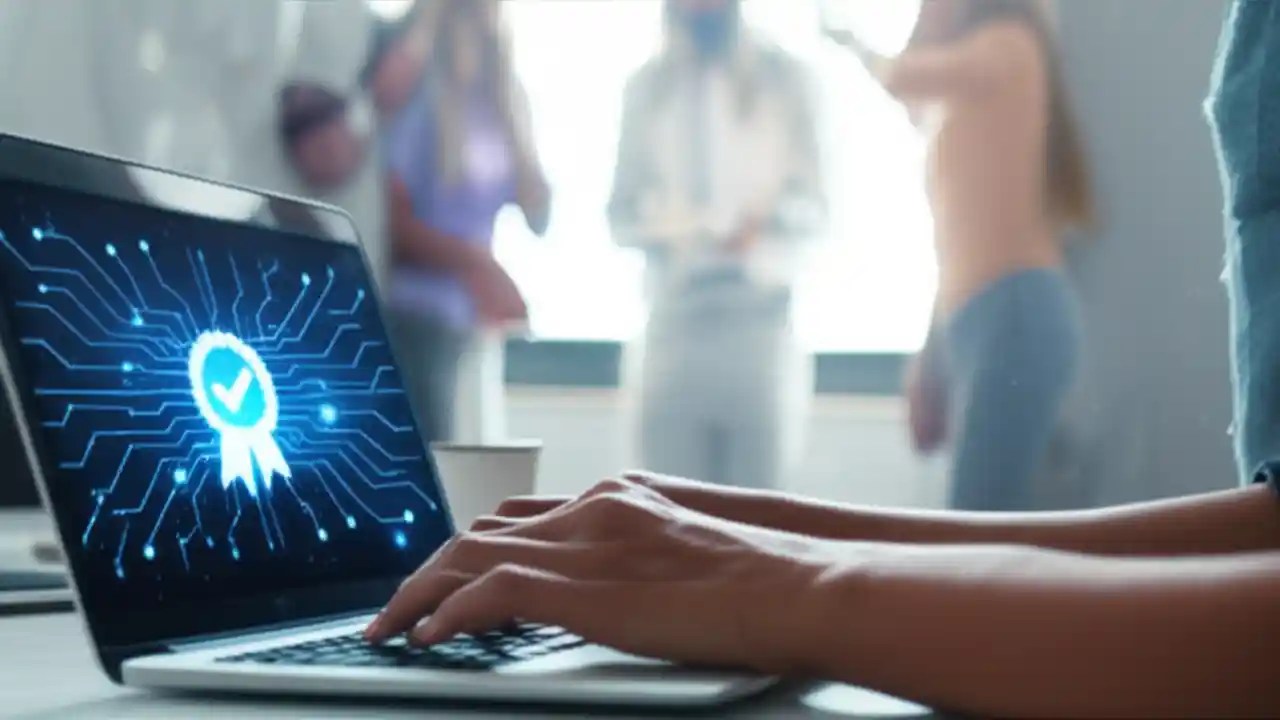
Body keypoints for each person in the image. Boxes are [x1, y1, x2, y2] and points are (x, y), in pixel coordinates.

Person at [363, 2, 1280, 716]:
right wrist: (777, 538)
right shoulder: (645, 87)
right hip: (688, 316)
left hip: (777, 317)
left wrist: (786, 584)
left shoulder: (965, 53)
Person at [838, 0, 1095, 510]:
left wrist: (845, 36)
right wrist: (930, 356)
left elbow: (900, 78)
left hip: (1016, 312)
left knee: (978, 520)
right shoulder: (964, 97)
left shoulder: (1008, 46)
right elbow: (958, 241)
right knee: (981, 520)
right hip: (982, 318)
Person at [608, 0, 825, 490]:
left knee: (759, 525)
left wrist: (766, 220)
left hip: (759, 325)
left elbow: (816, 205)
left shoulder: (786, 80)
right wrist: (668, 224)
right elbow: (619, 215)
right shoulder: (647, 88)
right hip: (675, 324)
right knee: (666, 519)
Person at [381, 0, 550, 445]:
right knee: (440, 467)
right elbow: (394, 225)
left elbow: (538, 214)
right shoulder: (420, 98)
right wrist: (477, 264)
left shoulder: (503, 104)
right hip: (419, 324)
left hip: (472, 329)